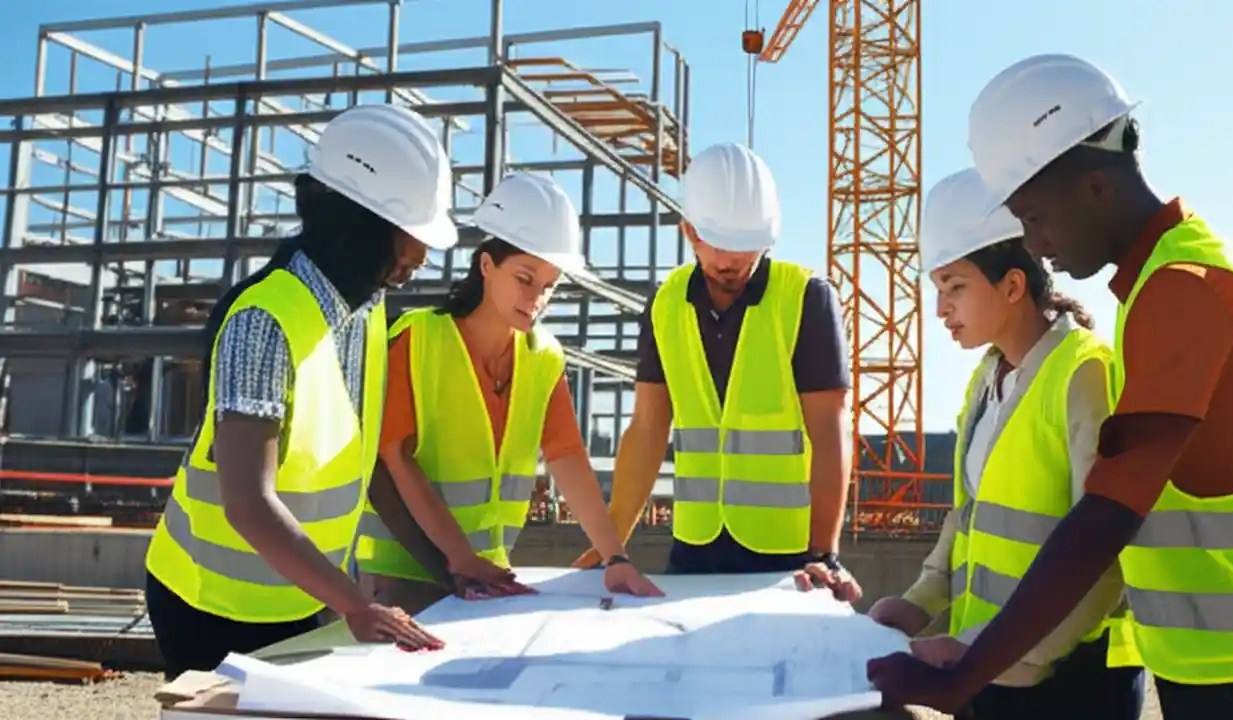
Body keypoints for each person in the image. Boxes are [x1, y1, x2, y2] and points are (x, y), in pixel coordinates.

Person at [867, 53, 1233, 720]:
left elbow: (1109, 511)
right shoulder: (1170, 279)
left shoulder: (1184, 288)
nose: (1033, 244)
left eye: (1033, 217)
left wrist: (967, 671)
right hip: (1218, 660)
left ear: (1094, 186)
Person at [143, 103, 457, 681]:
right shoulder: (263, 322)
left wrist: (448, 567)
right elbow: (248, 503)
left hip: (298, 598)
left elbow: (366, 467)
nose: (420, 255)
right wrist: (356, 604)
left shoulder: (365, 312)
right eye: (411, 234)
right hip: (206, 606)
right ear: (359, 224)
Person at [846, 167, 1142, 719]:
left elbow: (1104, 553)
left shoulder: (1085, 373)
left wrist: (981, 653)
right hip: (987, 665)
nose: (941, 309)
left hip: (1073, 677)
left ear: (1012, 286)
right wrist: (918, 603)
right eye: (938, 289)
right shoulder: (987, 379)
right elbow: (968, 517)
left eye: (955, 287)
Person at [355, 172, 663, 611]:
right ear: (486, 266)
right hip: (401, 577)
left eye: (549, 286)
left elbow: (567, 457)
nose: (537, 298)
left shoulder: (543, 357)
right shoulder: (418, 338)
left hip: (486, 573)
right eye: (524, 278)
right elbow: (396, 457)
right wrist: (459, 558)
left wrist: (615, 557)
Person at [572, 142, 859, 597]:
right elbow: (647, 427)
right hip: (694, 546)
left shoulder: (806, 297)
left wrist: (823, 551)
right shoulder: (665, 303)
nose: (732, 261)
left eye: (746, 248)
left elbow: (829, 428)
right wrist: (612, 545)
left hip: (788, 555)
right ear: (689, 231)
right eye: (719, 245)